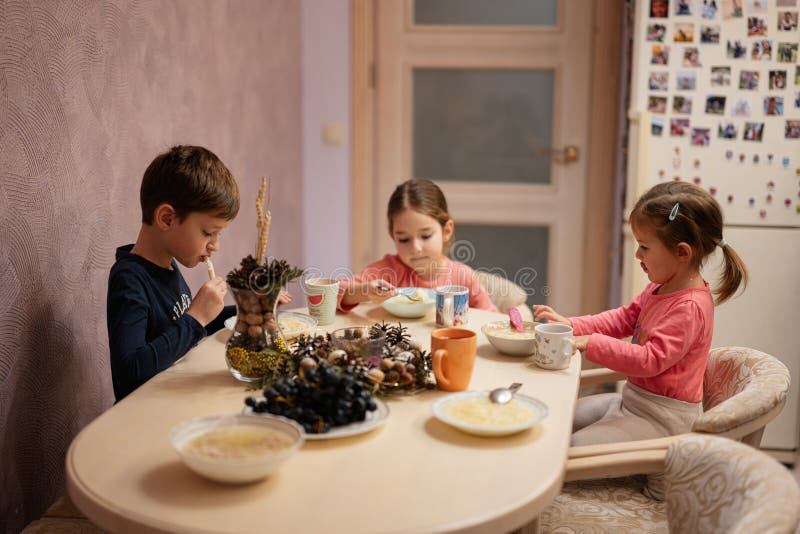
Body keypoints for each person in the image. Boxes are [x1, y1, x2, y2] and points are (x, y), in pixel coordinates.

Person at [532, 181, 748, 449]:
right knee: (556, 418)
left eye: (644, 247)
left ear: (682, 252)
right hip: (632, 402)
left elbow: (649, 360)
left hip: (662, 420)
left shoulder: (690, 308)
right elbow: (624, 318)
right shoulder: (659, 287)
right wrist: (573, 325)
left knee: (574, 446)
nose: (637, 254)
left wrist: (592, 343)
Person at [107, 145, 240, 401]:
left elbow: (184, 326)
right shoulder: (129, 279)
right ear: (167, 219)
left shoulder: (168, 265)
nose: (215, 245)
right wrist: (196, 317)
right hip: (146, 415)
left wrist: (249, 309)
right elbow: (130, 374)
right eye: (208, 232)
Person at [338, 179, 497, 312]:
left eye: (426, 236)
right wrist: (364, 292)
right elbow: (332, 293)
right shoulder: (386, 272)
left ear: (446, 231)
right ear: (393, 236)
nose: (415, 248)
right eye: (404, 239)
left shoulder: (463, 278)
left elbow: (492, 320)